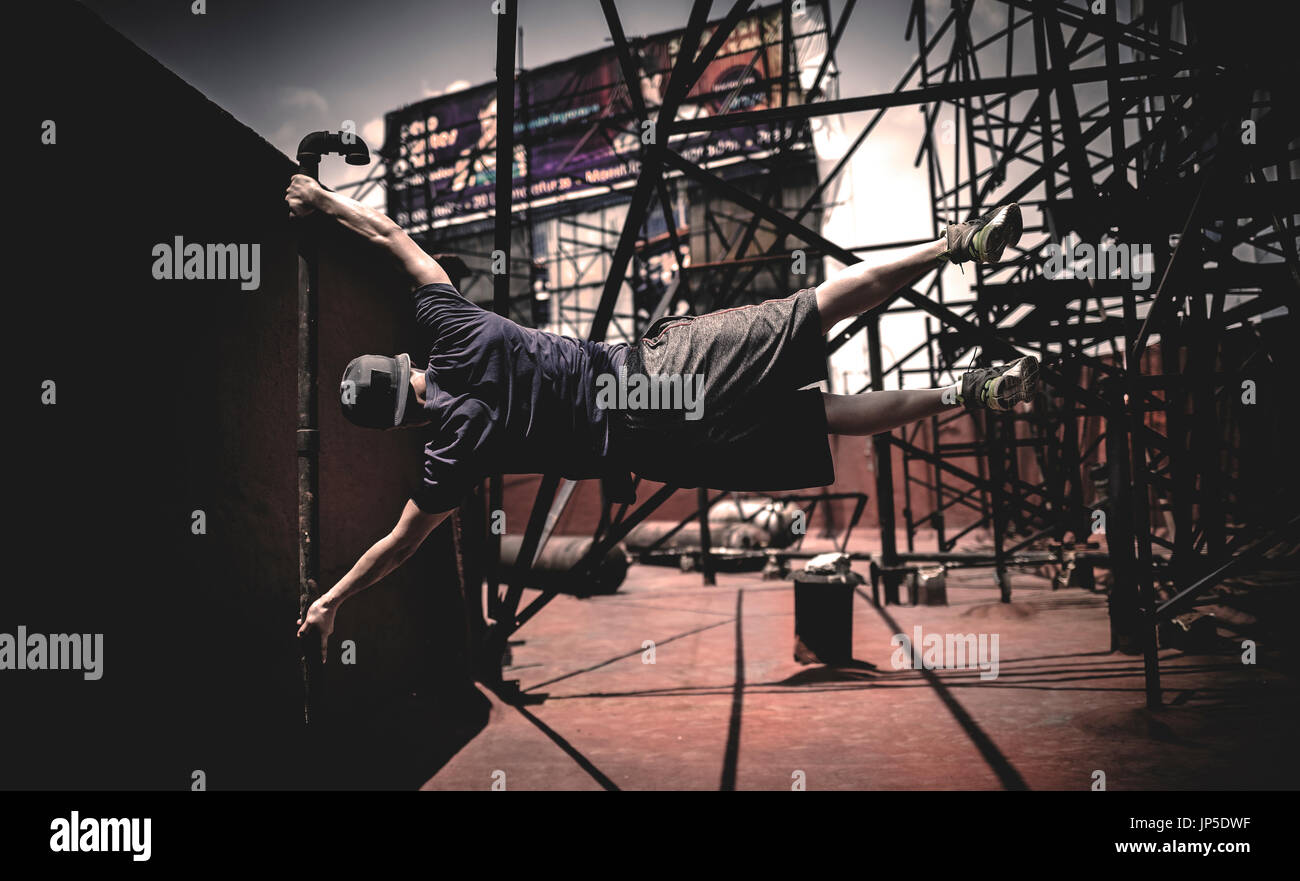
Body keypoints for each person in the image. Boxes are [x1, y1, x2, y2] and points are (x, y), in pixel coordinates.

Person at [285, 175, 1037, 659]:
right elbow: (388, 233)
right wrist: (322, 203)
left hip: (659, 443)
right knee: (808, 311)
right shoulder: (451, 324)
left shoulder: (449, 449)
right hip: (646, 376)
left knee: (827, 418)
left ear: (398, 423)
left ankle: (970, 392)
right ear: (401, 364)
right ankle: (953, 244)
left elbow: (397, 544)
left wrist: (329, 601)